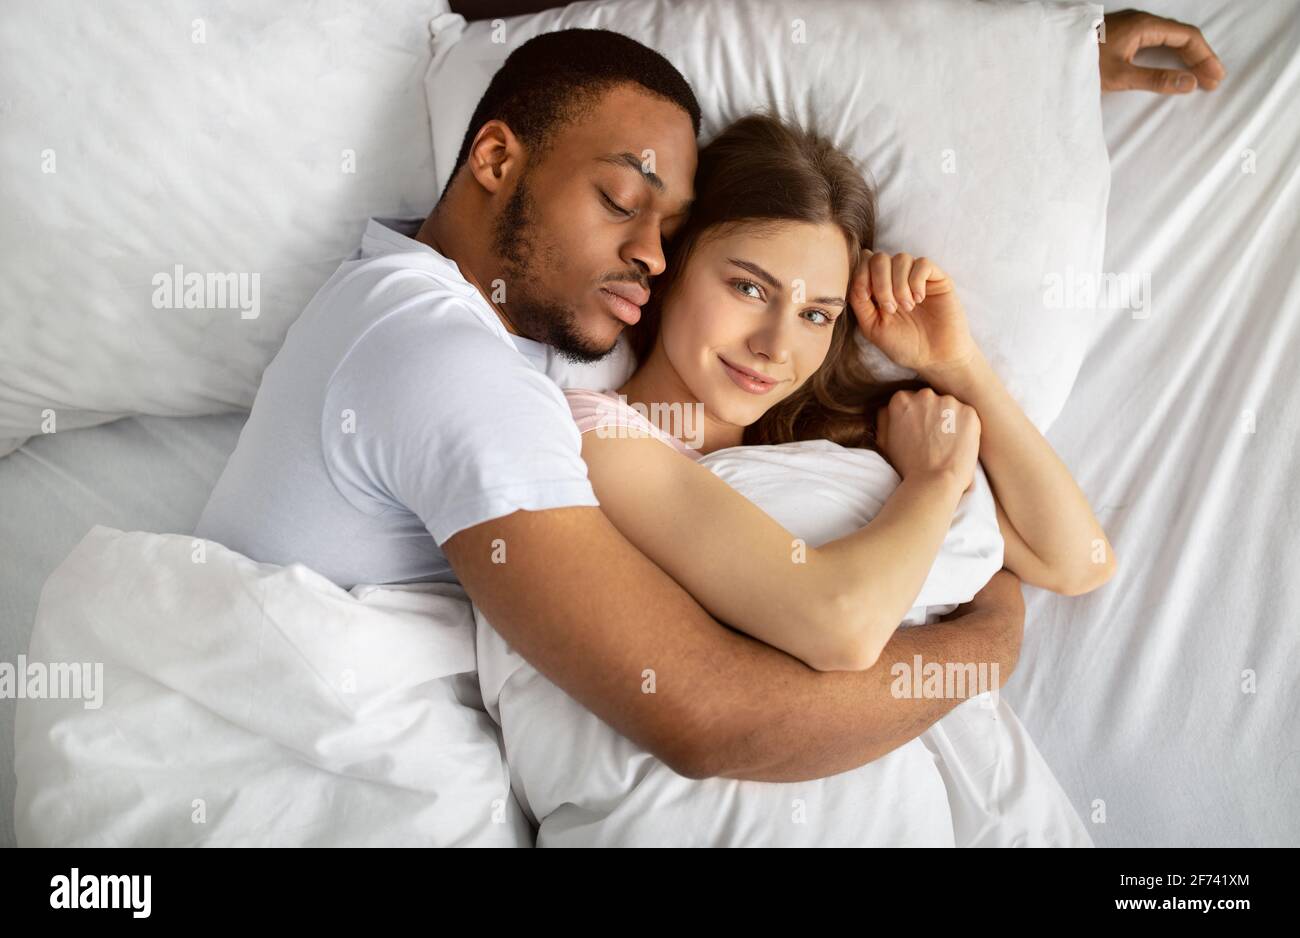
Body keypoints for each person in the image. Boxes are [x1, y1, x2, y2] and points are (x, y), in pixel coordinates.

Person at [196, 11, 1222, 782]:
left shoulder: (806, 419)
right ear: (495, 158)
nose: (640, 252)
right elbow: (716, 710)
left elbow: (1078, 560)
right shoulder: (519, 391)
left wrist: (962, 368)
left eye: (818, 313)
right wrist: (984, 629)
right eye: (622, 204)